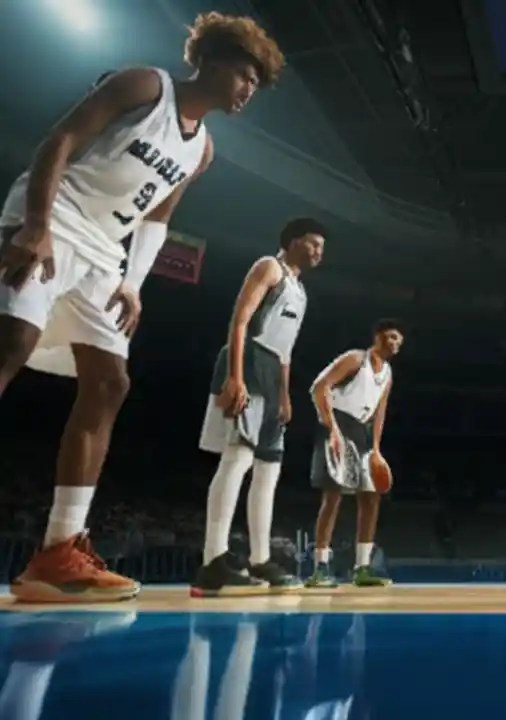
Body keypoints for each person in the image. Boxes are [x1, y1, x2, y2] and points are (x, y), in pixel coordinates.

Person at [0, 12, 284, 603]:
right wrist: (34, 224)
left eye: (257, 81)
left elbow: (158, 216)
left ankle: (57, 552)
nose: (249, 88)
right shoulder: (144, 86)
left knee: (109, 383)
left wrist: (134, 283)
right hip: (56, 217)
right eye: (243, 73)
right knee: (11, 346)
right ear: (209, 61)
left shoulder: (202, 148)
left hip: (106, 252)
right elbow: (61, 140)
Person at [192, 219, 326, 597]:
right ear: (294, 241)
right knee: (237, 458)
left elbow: (285, 352)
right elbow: (240, 320)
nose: (319, 252)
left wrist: (284, 395)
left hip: (272, 370)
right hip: (248, 361)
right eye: (314, 244)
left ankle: (259, 557)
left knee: (269, 467)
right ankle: (212, 560)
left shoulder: (300, 291)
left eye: (322, 247)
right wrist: (235, 378)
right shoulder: (269, 266)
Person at [305, 319, 404, 589]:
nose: (395, 343)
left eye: (399, 339)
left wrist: (376, 449)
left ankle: (362, 567)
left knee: (371, 497)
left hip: (362, 432)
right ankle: (320, 568)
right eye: (390, 336)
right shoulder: (355, 359)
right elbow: (319, 387)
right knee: (333, 495)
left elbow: (379, 412)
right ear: (377, 336)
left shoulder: (388, 374)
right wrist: (332, 428)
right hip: (337, 422)